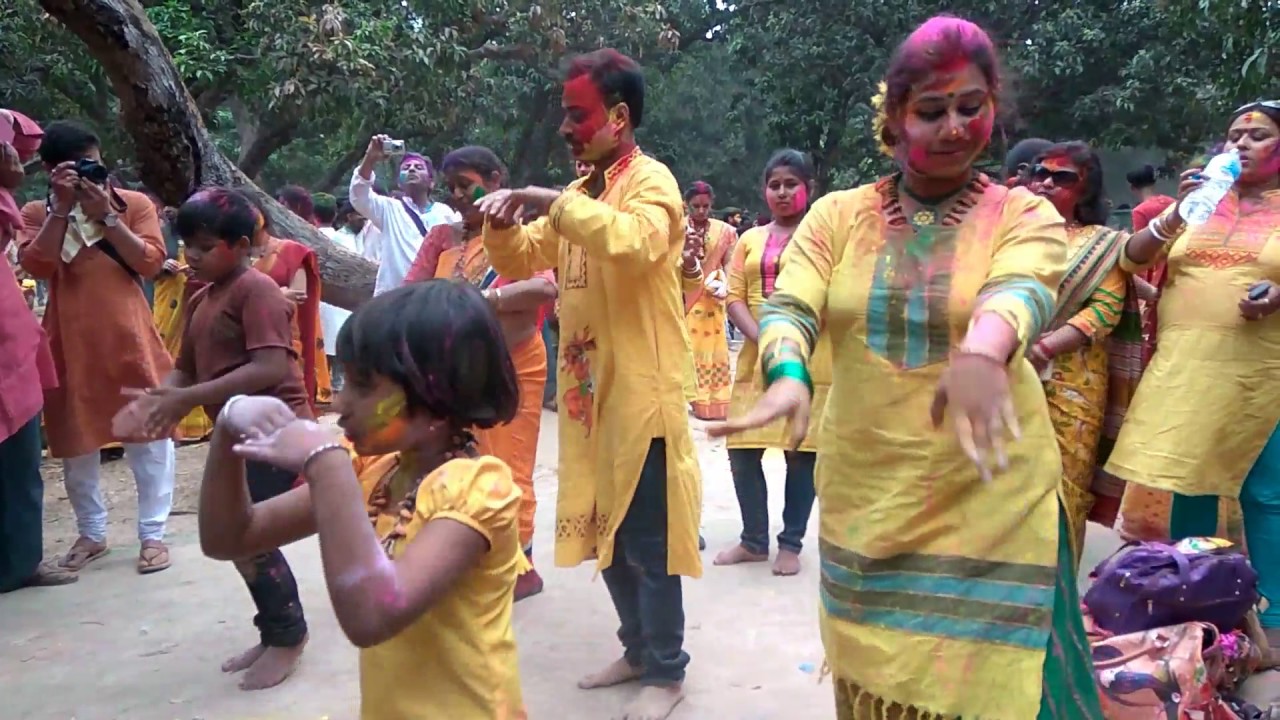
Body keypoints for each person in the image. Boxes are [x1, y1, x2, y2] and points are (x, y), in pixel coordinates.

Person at [712, 17, 1104, 718]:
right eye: (931, 111)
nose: (955, 127)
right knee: (879, 680)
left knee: (1002, 686)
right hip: (869, 496)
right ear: (894, 119)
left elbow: (1021, 289)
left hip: (990, 492)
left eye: (971, 106)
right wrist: (787, 375)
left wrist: (982, 352)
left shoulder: (1024, 214)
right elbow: (791, 304)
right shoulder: (837, 216)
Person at [475, 48, 701, 720]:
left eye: (578, 115)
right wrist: (500, 226)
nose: (566, 128)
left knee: (648, 543)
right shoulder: (580, 196)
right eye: (566, 115)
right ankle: (636, 649)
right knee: (609, 536)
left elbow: (635, 242)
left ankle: (667, 671)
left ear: (619, 117)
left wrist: (551, 202)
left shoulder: (653, 182)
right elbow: (527, 254)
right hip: (588, 401)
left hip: (642, 397)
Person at [195, 280, 526, 718]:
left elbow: (371, 617)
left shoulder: (479, 489)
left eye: (363, 386)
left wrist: (324, 464)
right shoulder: (376, 471)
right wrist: (227, 430)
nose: (340, 402)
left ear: (436, 397)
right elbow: (230, 539)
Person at [115, 187, 313, 689]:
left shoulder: (257, 291)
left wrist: (187, 397)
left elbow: (268, 367)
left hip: (275, 433)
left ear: (241, 245)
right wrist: (160, 398)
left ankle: (287, 635)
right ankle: (274, 630)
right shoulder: (203, 297)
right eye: (187, 245)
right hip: (236, 437)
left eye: (204, 246)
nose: (192, 256)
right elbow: (185, 368)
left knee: (250, 538)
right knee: (238, 538)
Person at [1107, 100, 1280, 643]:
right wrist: (1181, 209)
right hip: (1188, 369)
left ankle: (1275, 623)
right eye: (1235, 135)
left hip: (1264, 373)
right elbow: (1131, 258)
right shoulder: (1200, 203)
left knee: (1266, 493)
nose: (1242, 143)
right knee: (1191, 484)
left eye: (1258, 135)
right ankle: (1200, 612)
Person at [18, 120, 176, 575]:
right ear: (52, 171)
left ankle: (153, 534)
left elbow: (150, 263)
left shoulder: (134, 205)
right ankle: (92, 532)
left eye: (93, 163)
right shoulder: (36, 212)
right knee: (76, 441)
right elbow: (37, 265)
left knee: (149, 438)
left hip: (130, 338)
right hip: (68, 342)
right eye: (76, 167)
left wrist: (107, 217)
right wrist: (61, 210)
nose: (90, 172)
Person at [403, 145, 559, 601]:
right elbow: (411, 290)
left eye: (465, 185)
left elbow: (544, 286)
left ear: (494, 182)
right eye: (450, 187)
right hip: (456, 371)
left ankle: (520, 568)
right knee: (460, 465)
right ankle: (472, 560)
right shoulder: (443, 237)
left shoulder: (521, 233)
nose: (456, 195)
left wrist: (481, 302)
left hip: (514, 365)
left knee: (507, 465)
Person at [714, 149, 826, 577]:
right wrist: (766, 339)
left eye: (791, 184)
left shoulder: (823, 238)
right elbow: (734, 296)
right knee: (742, 450)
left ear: (809, 189)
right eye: (774, 185)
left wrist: (790, 342)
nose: (781, 192)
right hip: (755, 359)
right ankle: (753, 540)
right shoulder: (750, 239)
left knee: (801, 452)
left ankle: (791, 543)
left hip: (811, 358)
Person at [1024, 141, 1136, 558]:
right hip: (1000, 369)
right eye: (1040, 173)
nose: (1046, 183)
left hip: (1072, 380)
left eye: (1062, 177)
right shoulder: (1005, 234)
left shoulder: (1103, 245)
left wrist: (1042, 349)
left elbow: (1104, 311)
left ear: (1085, 189)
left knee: (1063, 479)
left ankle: (1057, 586)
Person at [0, 116, 75, 593]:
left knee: (20, 462)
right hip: (6, 348)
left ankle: (21, 560)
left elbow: (27, 135)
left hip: (10, 347)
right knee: (18, 466)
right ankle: (19, 563)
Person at [241, 193, 328, 409]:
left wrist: (265, 297)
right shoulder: (233, 254)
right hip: (241, 341)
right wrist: (278, 293)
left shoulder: (291, 251)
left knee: (288, 406)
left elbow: (298, 295)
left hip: (284, 341)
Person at [350, 142, 460, 293]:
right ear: (399, 183)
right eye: (406, 168)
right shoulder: (389, 208)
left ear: (431, 183)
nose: (412, 169)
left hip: (433, 297)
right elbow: (358, 194)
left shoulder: (445, 213)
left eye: (419, 167)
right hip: (394, 297)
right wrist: (370, 158)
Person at [151, 200, 215, 443]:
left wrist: (198, 270)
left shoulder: (207, 229)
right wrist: (160, 266)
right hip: (167, 301)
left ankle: (197, 425)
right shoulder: (160, 229)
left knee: (194, 356)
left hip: (196, 299)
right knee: (165, 354)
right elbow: (143, 263)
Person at [682, 181, 736, 421]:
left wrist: (725, 285)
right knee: (687, 349)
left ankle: (711, 402)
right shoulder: (677, 228)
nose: (701, 211)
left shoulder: (725, 232)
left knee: (713, 350)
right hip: (685, 300)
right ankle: (688, 399)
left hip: (713, 301)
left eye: (705, 206)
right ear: (687, 205)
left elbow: (730, 264)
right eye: (696, 206)